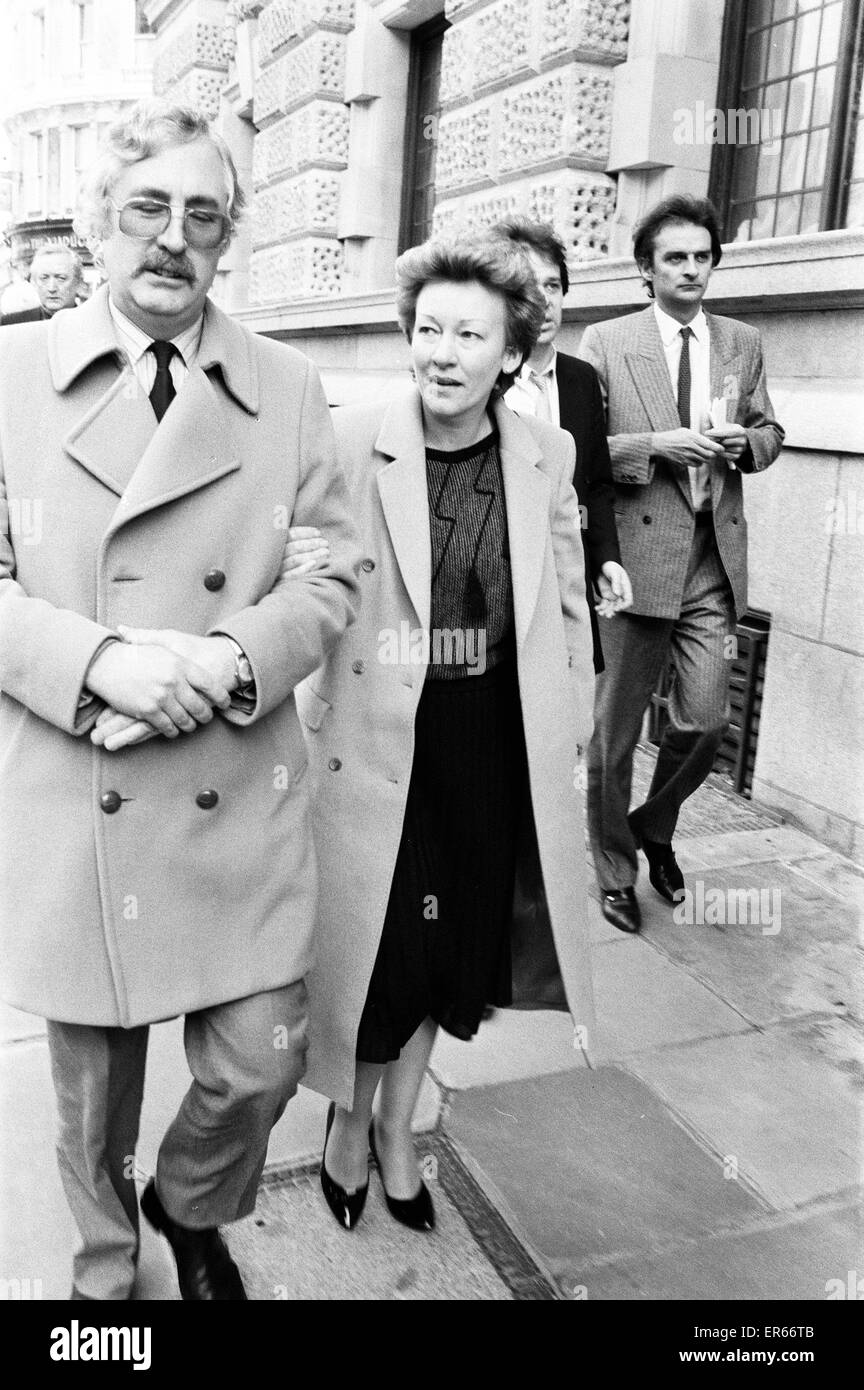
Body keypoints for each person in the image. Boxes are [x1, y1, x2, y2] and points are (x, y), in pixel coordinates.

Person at [0, 100, 361, 1301]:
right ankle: (107, 1272)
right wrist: (99, 663)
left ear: (228, 240)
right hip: (77, 783)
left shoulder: (288, 385)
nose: (174, 239)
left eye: (203, 216)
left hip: (234, 791)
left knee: (263, 1059)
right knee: (92, 1099)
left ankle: (191, 1201)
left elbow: (331, 570)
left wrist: (226, 660)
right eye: (148, 209)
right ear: (100, 225)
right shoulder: (9, 375)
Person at [295, 235, 597, 1234]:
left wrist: (572, 724)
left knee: (451, 950)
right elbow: (304, 582)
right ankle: (350, 1123)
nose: (444, 349)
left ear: (511, 351)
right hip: (380, 738)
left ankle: (398, 1132)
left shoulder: (543, 453)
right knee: (378, 949)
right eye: (429, 328)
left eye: (470, 332)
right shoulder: (352, 439)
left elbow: (563, 605)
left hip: (487, 740)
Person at [579, 195, 784, 935]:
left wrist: (746, 445)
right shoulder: (606, 342)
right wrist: (655, 448)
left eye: (702, 257)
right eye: (676, 258)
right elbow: (580, 452)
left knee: (704, 720)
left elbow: (770, 431)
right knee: (613, 733)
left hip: (711, 558)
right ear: (647, 269)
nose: (691, 269)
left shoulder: (742, 341)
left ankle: (653, 827)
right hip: (632, 563)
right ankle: (612, 869)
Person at [494, 216, 632, 670]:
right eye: (530, 287)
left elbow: (595, 484)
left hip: (563, 589)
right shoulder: (480, 380)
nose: (544, 301)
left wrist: (605, 561)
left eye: (553, 286)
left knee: (567, 726)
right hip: (491, 590)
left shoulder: (581, 380)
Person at [1, 245, 84, 323]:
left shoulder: (92, 324)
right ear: (34, 282)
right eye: (44, 278)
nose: (51, 288)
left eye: (61, 278)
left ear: (78, 282)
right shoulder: (11, 324)